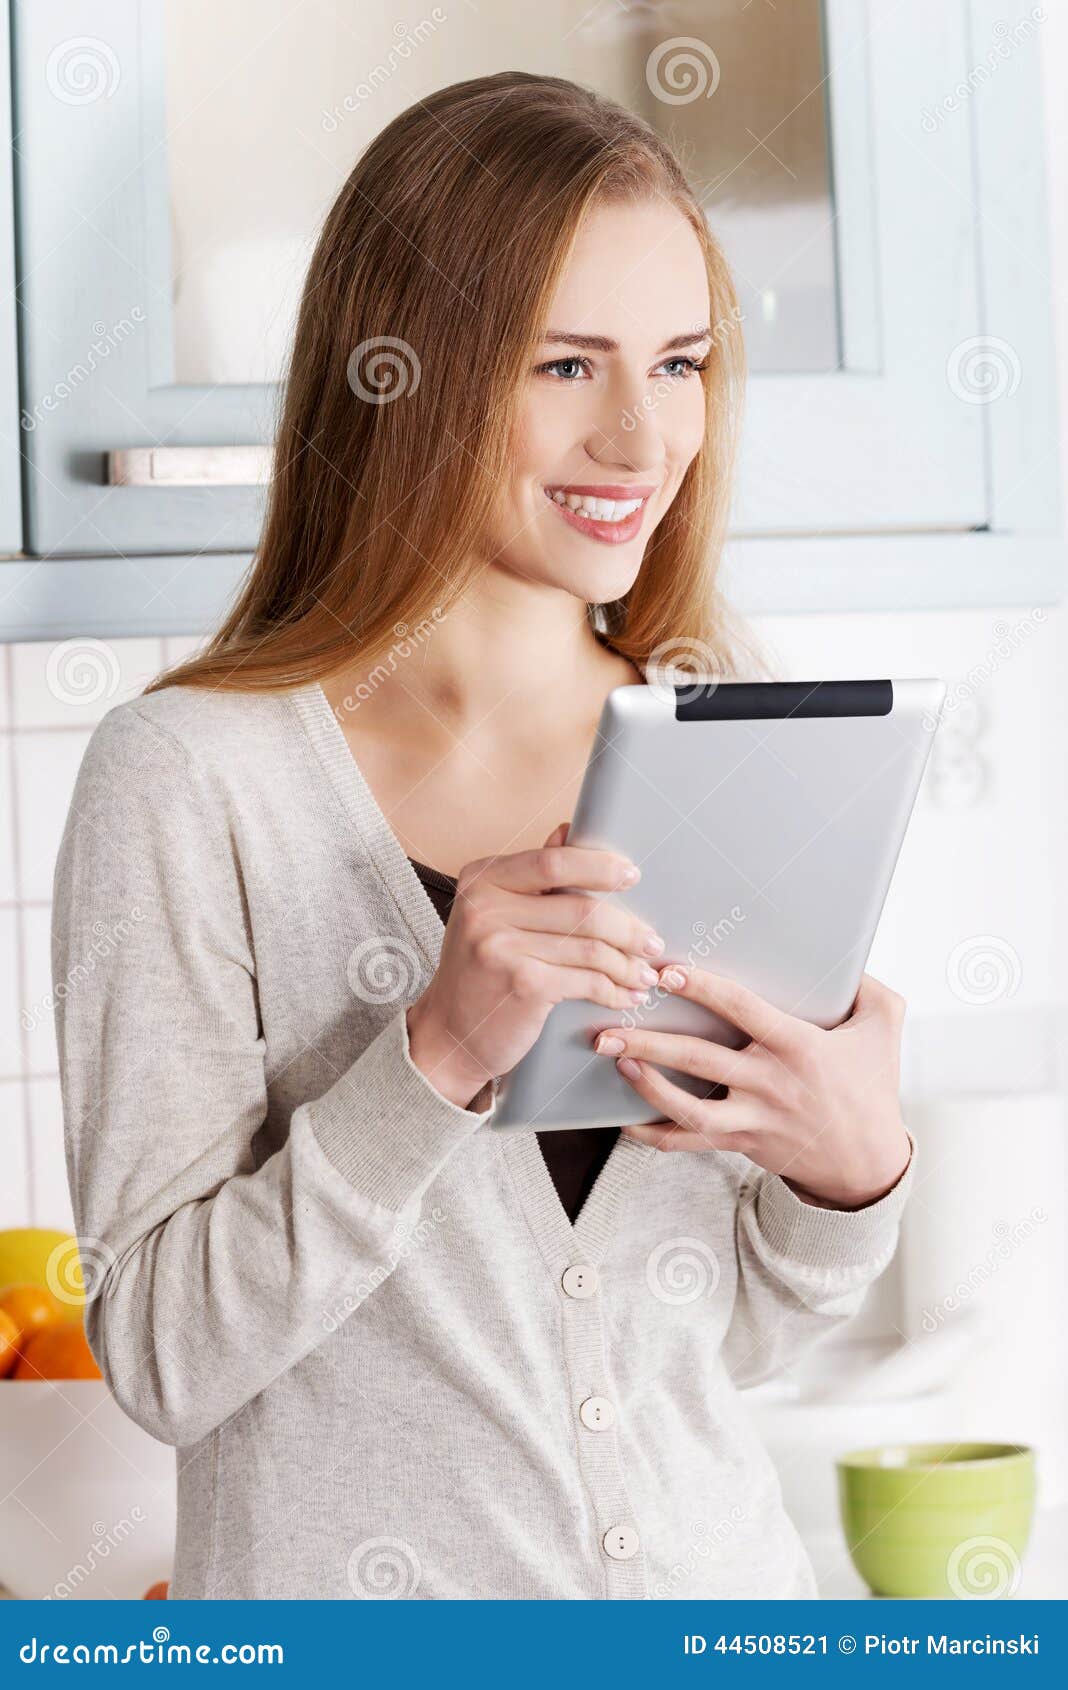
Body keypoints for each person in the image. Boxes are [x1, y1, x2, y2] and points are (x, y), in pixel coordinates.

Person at [53, 71, 913, 1601]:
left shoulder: (739, 726)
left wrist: (847, 1177)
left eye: (681, 362)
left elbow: (731, 1338)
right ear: (408, 375)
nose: (641, 435)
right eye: (566, 364)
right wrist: (434, 1056)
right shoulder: (192, 781)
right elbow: (167, 1358)